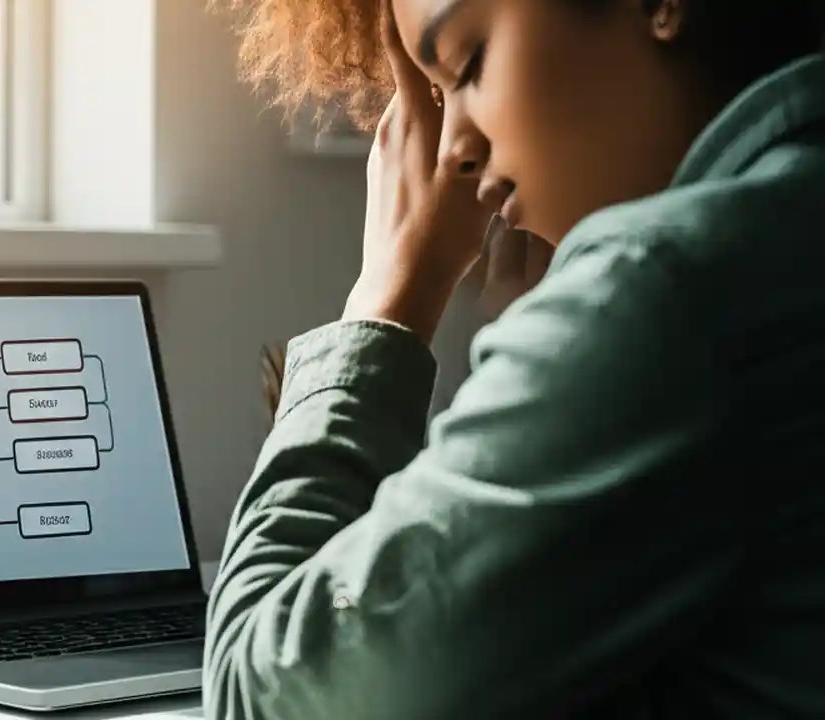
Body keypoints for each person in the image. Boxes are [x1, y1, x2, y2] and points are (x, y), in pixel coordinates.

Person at [203, 0, 825, 717]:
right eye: (438, 98)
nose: (452, 152)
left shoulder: (663, 292)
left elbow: (260, 694)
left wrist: (387, 292)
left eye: (468, 63)